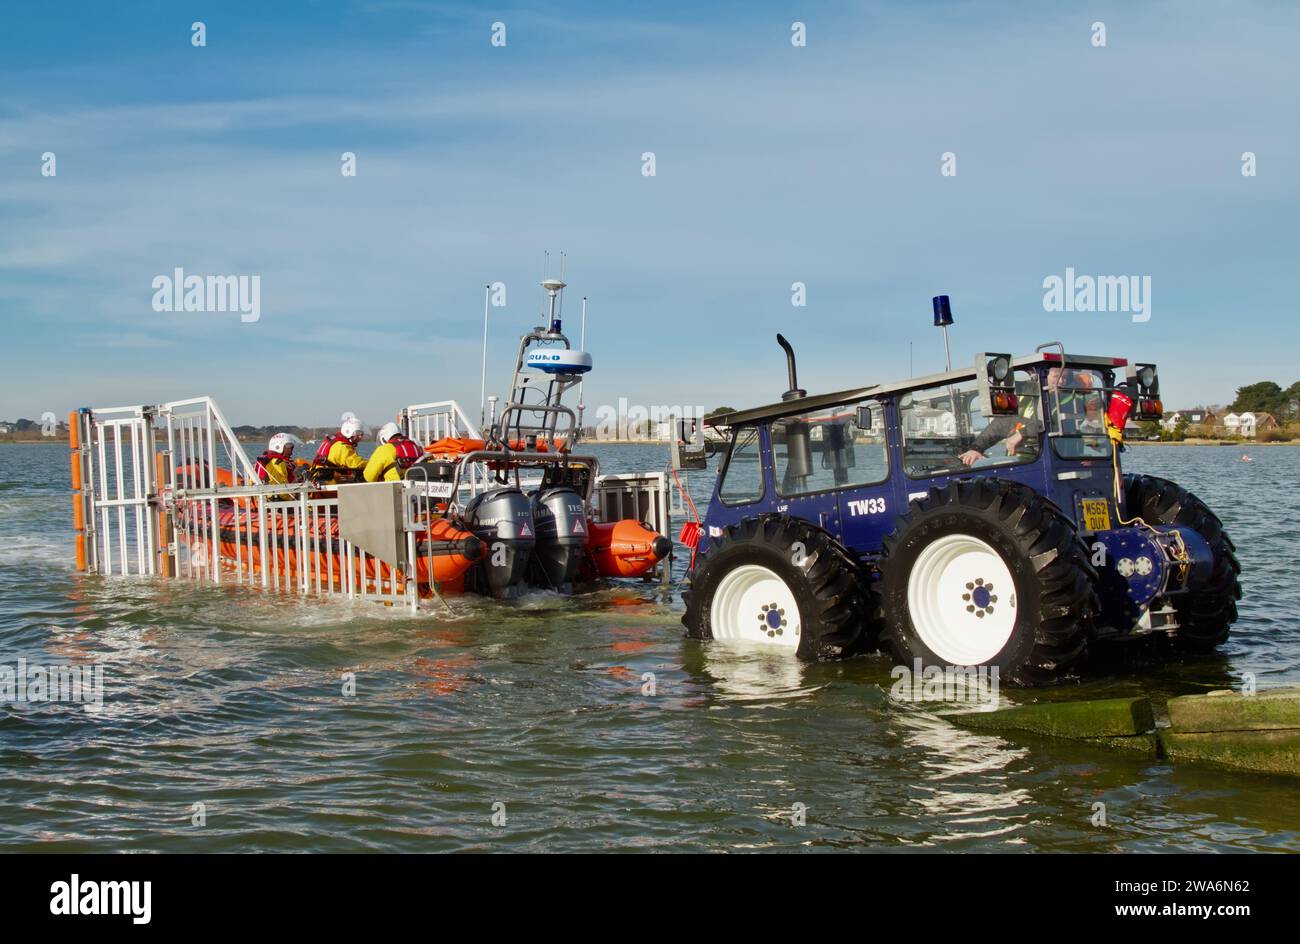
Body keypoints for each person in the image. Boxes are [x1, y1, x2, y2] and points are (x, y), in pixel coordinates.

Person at [960, 366, 1076, 466]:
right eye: (1056, 376)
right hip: (1021, 460)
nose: (1061, 381)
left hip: (1056, 458)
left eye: (1065, 377)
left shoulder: (1071, 399)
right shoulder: (1025, 395)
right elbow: (1002, 424)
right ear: (1044, 377)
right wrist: (976, 449)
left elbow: (1053, 423)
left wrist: (1022, 433)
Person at [312, 416, 367, 483]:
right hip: (327, 481)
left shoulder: (336, 442)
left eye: (361, 434)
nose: (360, 437)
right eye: (358, 434)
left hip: (321, 475)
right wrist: (372, 464)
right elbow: (357, 464)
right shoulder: (342, 447)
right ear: (348, 432)